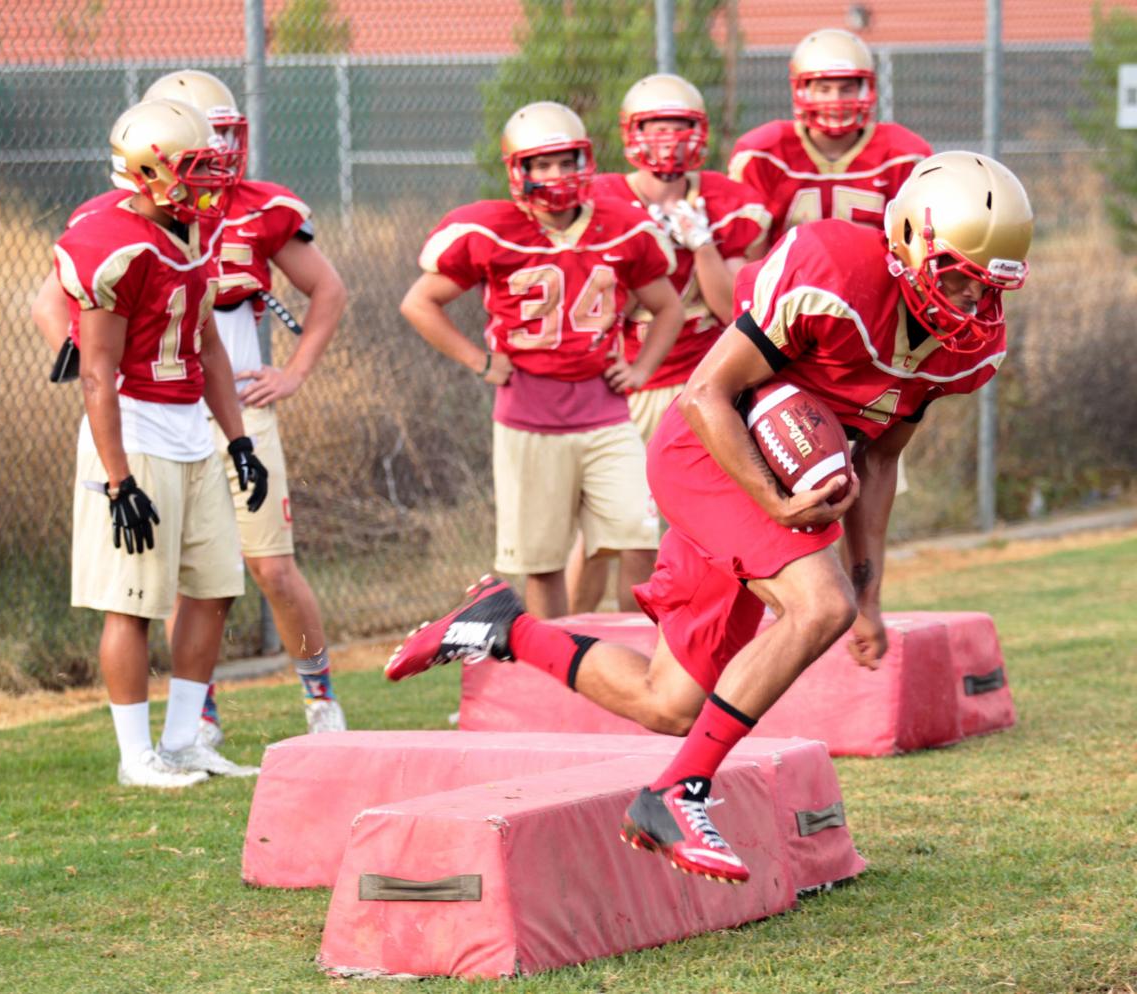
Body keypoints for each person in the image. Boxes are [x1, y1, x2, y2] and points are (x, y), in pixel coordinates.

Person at [386, 151, 1033, 882]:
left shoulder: (965, 353)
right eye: (958, 277)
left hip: (779, 485)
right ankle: (675, 793)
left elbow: (879, 461)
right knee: (818, 607)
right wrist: (777, 504)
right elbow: (703, 395)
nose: (972, 305)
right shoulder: (835, 270)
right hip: (710, 453)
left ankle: (500, 625)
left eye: (989, 289)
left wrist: (873, 596)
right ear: (912, 241)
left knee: (667, 702)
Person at [34, 70, 350, 743]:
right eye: (202, 150)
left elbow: (320, 293)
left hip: (233, 403)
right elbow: (54, 303)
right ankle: (193, 721)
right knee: (176, 577)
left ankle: (318, 694)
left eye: (223, 142)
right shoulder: (117, 221)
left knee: (265, 566)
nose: (219, 161)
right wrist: (98, 355)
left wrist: (292, 373)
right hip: (154, 410)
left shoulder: (249, 210)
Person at [45, 98, 269, 788]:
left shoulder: (192, 229)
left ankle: (182, 741)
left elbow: (206, 344)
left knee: (214, 588)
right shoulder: (112, 241)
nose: (208, 180)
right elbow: (96, 373)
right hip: (135, 432)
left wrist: (238, 441)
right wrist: (117, 480)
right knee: (133, 602)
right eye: (194, 167)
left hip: (189, 431)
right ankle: (134, 755)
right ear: (148, 171)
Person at [399, 101, 685, 619]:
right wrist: (480, 362)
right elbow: (419, 302)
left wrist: (642, 369)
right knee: (545, 563)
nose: (555, 175)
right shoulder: (492, 228)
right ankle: (561, 673)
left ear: (585, 163)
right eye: (542, 164)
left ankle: (636, 657)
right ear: (518, 170)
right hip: (528, 416)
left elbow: (668, 305)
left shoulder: (621, 225)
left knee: (640, 540)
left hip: (605, 413)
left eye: (565, 161)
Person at [567, 73, 772, 613]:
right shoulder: (600, 198)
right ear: (632, 132)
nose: (667, 138)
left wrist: (700, 242)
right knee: (601, 534)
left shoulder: (728, 202)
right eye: (655, 125)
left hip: (705, 383)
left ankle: (665, 647)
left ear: (699, 133)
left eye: (679, 125)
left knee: (709, 523)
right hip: (625, 383)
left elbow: (734, 309)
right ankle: (568, 640)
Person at [727, 28, 931, 247]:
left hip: (876, 279)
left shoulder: (903, 155)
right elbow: (748, 255)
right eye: (824, 89)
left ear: (866, 89)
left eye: (846, 89)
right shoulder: (763, 153)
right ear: (802, 90)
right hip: (792, 280)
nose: (836, 100)